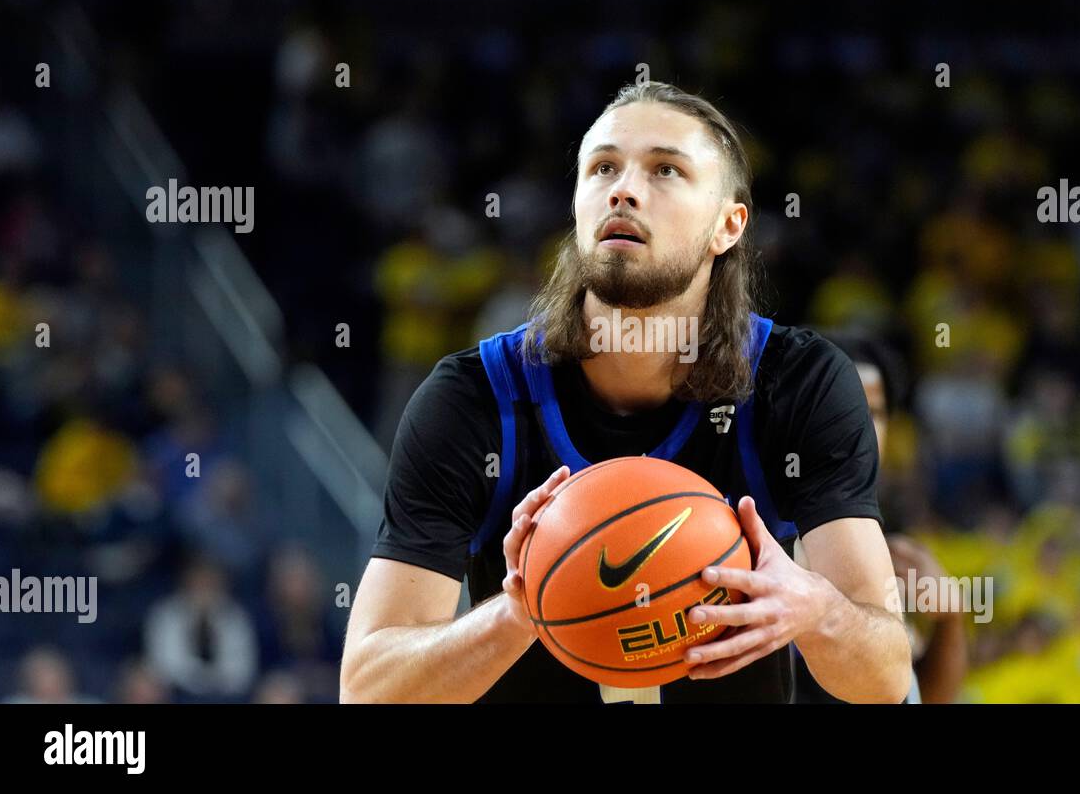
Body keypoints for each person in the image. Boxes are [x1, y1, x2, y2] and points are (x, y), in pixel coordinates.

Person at [340, 81, 910, 703]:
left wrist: (814, 609)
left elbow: (881, 678)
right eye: (603, 166)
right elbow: (368, 690)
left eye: (666, 169)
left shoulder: (799, 383)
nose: (624, 188)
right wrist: (518, 614)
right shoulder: (473, 399)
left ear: (728, 225)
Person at [793, 337, 969, 703]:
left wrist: (949, 621)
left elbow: (920, 696)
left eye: (873, 412)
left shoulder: (895, 543)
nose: (860, 430)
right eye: (840, 408)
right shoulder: (755, 536)